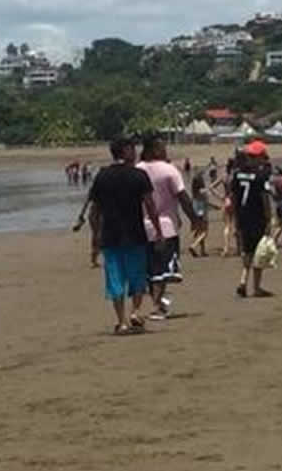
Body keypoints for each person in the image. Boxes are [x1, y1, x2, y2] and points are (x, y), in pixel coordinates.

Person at [85, 137, 158, 334]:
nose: (135, 152)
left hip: (111, 235)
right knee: (137, 277)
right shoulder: (139, 175)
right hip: (135, 233)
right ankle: (135, 312)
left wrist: (95, 235)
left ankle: (122, 320)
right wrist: (157, 229)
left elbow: (94, 211)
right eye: (132, 149)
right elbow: (150, 204)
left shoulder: (102, 176)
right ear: (125, 151)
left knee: (115, 279)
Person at [136, 137, 206, 321]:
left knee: (151, 269)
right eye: (162, 147)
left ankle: (158, 304)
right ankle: (158, 307)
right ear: (153, 150)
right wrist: (194, 218)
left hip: (141, 226)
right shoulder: (169, 170)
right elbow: (182, 197)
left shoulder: (138, 170)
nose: (165, 150)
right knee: (162, 269)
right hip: (166, 226)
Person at [229, 140, 275, 298]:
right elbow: (265, 199)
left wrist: (235, 218)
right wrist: (269, 220)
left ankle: (243, 281)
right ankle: (256, 287)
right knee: (258, 253)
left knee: (246, 251)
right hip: (257, 217)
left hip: (242, 217)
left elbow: (233, 197)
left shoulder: (237, 175)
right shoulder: (261, 177)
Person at [187, 175, 212, 258]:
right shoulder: (203, 191)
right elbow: (207, 202)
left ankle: (203, 251)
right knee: (205, 232)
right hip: (201, 212)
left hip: (195, 211)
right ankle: (193, 245)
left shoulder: (194, 192)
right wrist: (217, 206)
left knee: (199, 231)